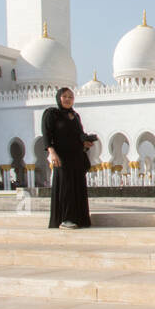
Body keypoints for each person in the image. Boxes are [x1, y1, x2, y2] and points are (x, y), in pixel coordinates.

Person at [42, 86, 93, 229]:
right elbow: (47, 134)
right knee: (66, 186)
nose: (68, 99)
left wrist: (86, 143)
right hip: (62, 156)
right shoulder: (52, 114)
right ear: (59, 98)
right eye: (65, 96)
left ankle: (80, 219)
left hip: (76, 156)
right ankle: (66, 219)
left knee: (78, 186)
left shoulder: (75, 116)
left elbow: (78, 135)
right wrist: (51, 152)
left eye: (71, 97)